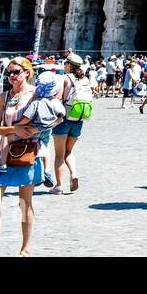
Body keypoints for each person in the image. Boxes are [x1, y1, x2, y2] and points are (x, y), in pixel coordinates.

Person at [0, 57, 43, 257]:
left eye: (15, 72)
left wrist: (32, 132)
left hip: (26, 152)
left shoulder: (37, 94)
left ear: (27, 72)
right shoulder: (3, 96)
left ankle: (26, 247)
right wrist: (15, 129)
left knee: (24, 202)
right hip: (3, 152)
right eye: (8, 72)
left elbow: (47, 121)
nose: (11, 76)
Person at [51, 54, 94, 195]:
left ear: (69, 65)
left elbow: (58, 99)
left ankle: (58, 186)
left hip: (63, 120)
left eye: (65, 63)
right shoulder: (85, 79)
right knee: (68, 151)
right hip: (78, 120)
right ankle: (74, 173)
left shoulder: (65, 78)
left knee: (59, 154)